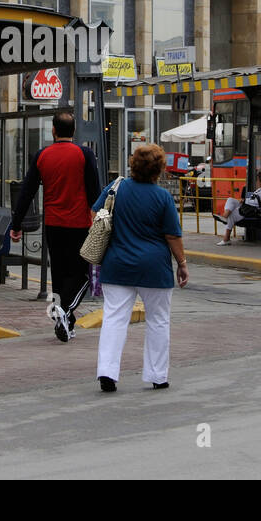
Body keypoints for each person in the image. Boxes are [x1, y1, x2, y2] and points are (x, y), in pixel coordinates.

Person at [93, 143, 189, 392]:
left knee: (114, 318)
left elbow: (95, 216)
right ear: (159, 170)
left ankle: (107, 372)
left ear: (132, 164)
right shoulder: (162, 197)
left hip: (117, 265)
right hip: (154, 268)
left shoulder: (116, 189)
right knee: (158, 320)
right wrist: (182, 264)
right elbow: (172, 236)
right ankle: (158, 376)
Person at [10, 110, 102, 342]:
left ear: (53, 130)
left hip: (53, 225)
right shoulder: (85, 155)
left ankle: (66, 325)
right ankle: (66, 311)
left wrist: (16, 223)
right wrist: (101, 222)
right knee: (82, 275)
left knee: (59, 275)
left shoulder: (42, 156)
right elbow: (95, 193)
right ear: (74, 131)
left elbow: (27, 191)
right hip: (80, 224)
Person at [216, 170, 261, 245]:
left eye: (257, 180)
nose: (256, 182)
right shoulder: (259, 190)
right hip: (250, 208)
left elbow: (260, 203)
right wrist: (245, 200)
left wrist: (245, 201)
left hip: (258, 212)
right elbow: (252, 199)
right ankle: (225, 216)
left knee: (232, 215)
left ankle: (226, 237)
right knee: (230, 200)